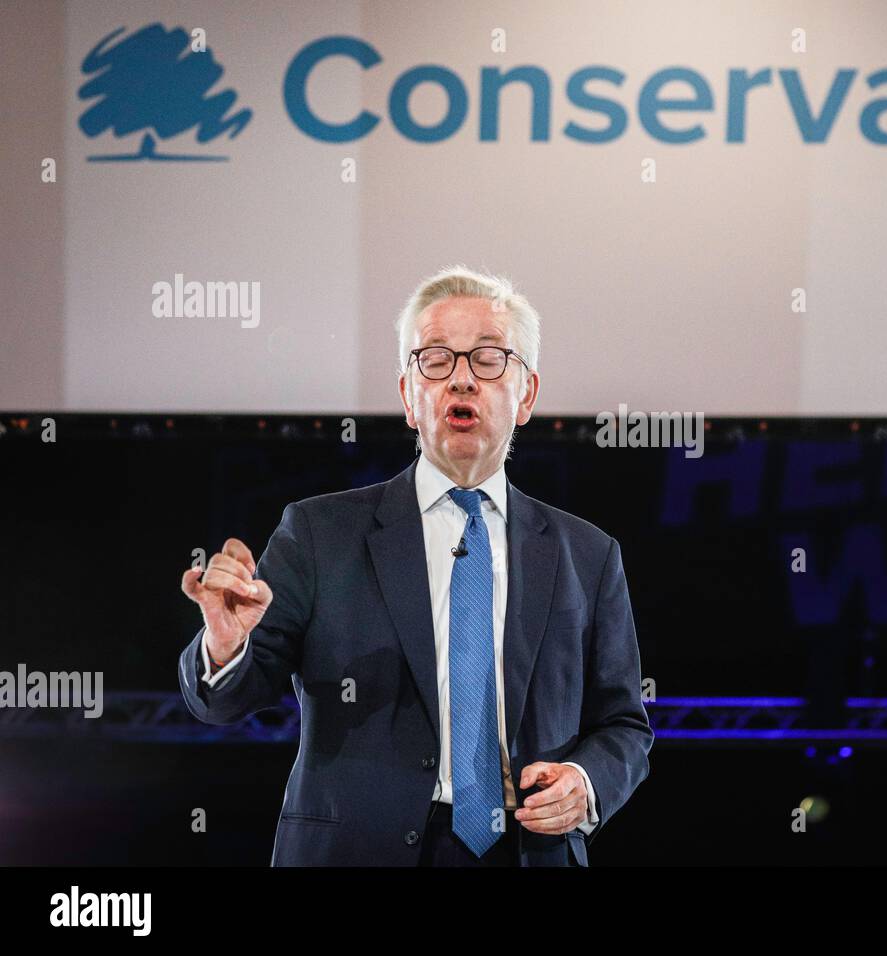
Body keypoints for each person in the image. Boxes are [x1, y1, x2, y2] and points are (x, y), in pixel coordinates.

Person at [178, 265, 652, 866]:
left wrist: (584, 783)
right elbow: (224, 702)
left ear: (526, 393)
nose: (460, 380)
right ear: (408, 394)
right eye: (435, 360)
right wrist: (223, 647)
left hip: (528, 853)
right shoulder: (320, 533)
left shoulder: (588, 555)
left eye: (487, 359)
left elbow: (624, 727)